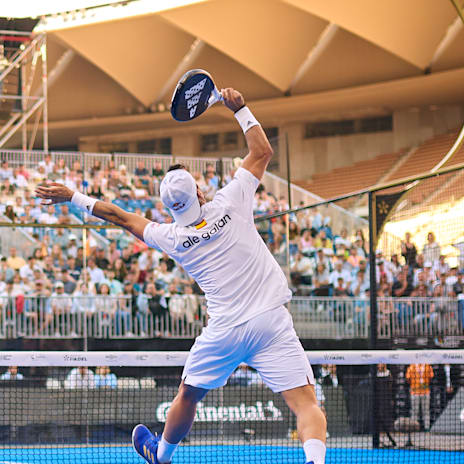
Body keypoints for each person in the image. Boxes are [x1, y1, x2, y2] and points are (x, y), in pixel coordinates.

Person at [36, 87, 326, 464]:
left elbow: (120, 216)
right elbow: (262, 152)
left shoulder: (171, 236)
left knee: (188, 395)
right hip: (271, 320)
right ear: (200, 192)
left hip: (225, 330)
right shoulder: (231, 201)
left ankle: (161, 454)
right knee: (305, 403)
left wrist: (73, 196)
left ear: (169, 207)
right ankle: (315, 461)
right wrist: (239, 109)